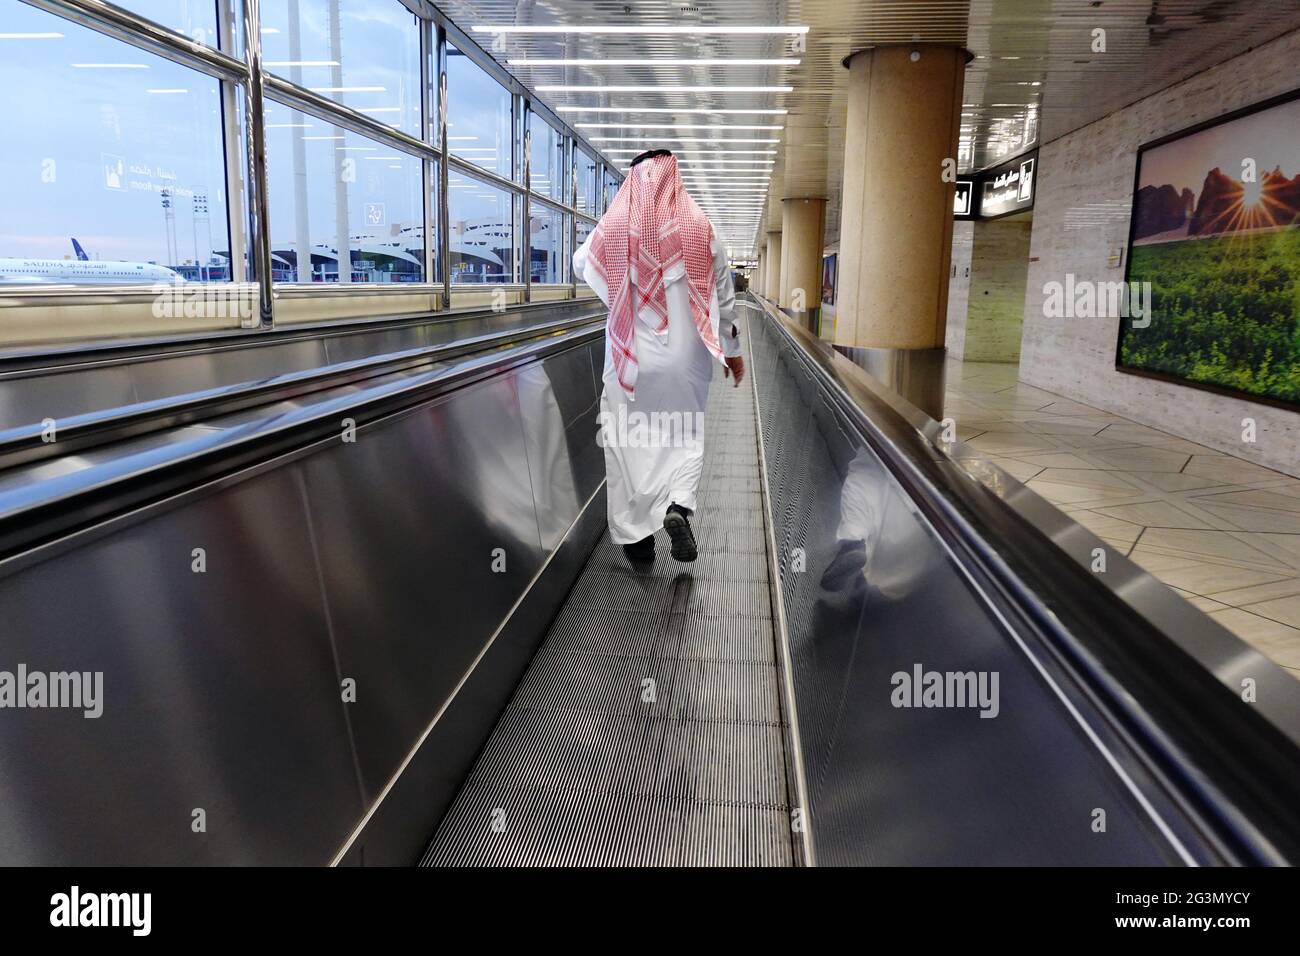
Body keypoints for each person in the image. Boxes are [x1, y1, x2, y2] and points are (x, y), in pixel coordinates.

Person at [574, 148, 745, 565]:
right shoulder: (699, 228)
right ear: (673, 178)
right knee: (685, 436)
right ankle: (679, 506)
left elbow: (582, 265)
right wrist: (733, 352)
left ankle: (638, 539)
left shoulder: (614, 227)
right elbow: (724, 299)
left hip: (630, 360)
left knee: (626, 443)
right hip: (686, 360)